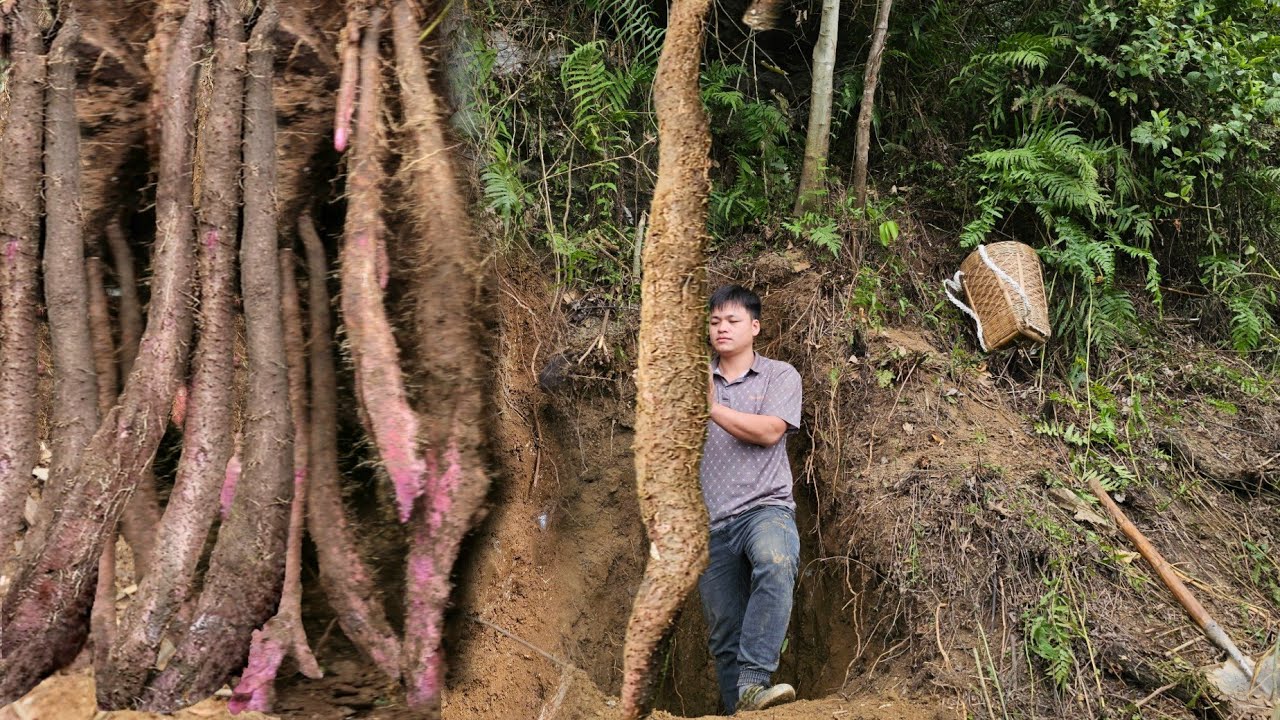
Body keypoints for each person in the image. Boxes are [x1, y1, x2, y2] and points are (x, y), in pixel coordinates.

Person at [699, 284, 802, 713]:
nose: (721, 328)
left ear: (755, 327)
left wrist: (709, 406)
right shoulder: (693, 379)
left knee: (775, 562)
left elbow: (769, 431)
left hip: (766, 507)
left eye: (732, 320)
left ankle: (754, 683)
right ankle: (737, 709)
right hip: (711, 523)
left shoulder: (780, 375)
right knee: (724, 632)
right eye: (715, 321)